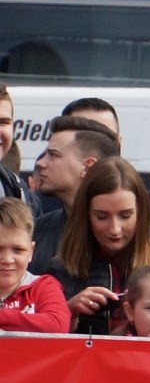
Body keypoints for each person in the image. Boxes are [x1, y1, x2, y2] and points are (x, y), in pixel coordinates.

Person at [49, 157, 150, 337]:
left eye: (125, 215)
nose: (115, 229)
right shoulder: (58, 274)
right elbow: (42, 349)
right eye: (101, 217)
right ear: (85, 215)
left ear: (140, 213)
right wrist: (67, 313)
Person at [29, 116, 121, 273]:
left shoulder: (142, 240)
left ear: (87, 167)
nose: (40, 163)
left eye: (53, 155)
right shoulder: (36, 236)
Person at [0, 197, 69, 333]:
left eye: (18, 250)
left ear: (31, 251)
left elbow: (58, 325)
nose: (7, 259)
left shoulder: (44, 286)